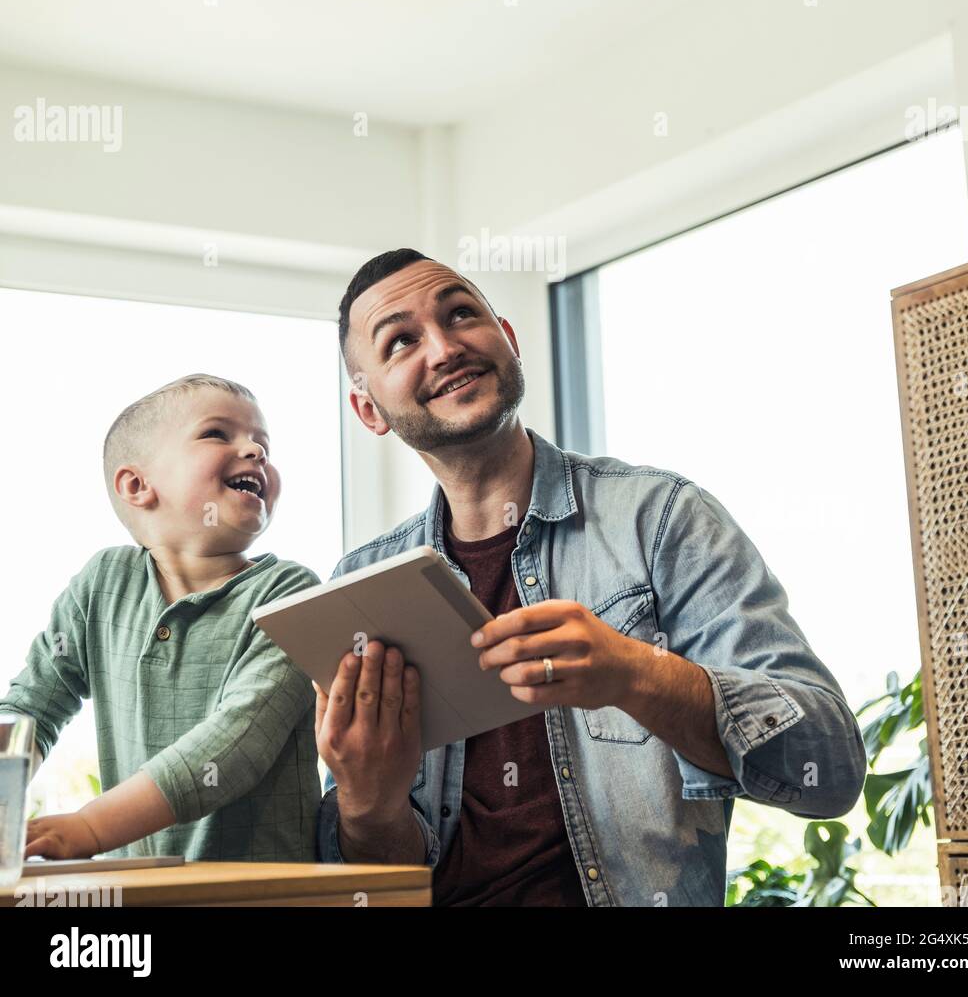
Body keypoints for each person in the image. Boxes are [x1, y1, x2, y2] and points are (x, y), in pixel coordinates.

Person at [314, 249, 868, 907]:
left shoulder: (662, 519)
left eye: (461, 314)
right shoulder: (360, 585)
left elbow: (829, 767)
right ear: (369, 409)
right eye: (401, 340)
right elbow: (374, 883)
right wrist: (367, 806)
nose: (444, 348)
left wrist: (637, 674)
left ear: (508, 342)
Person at [0, 374, 322, 862]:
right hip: (137, 891)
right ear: (137, 486)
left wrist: (90, 825)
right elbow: (32, 709)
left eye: (263, 444)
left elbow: (236, 746)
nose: (255, 451)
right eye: (218, 433)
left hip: (259, 894)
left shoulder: (290, 594)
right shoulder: (102, 583)